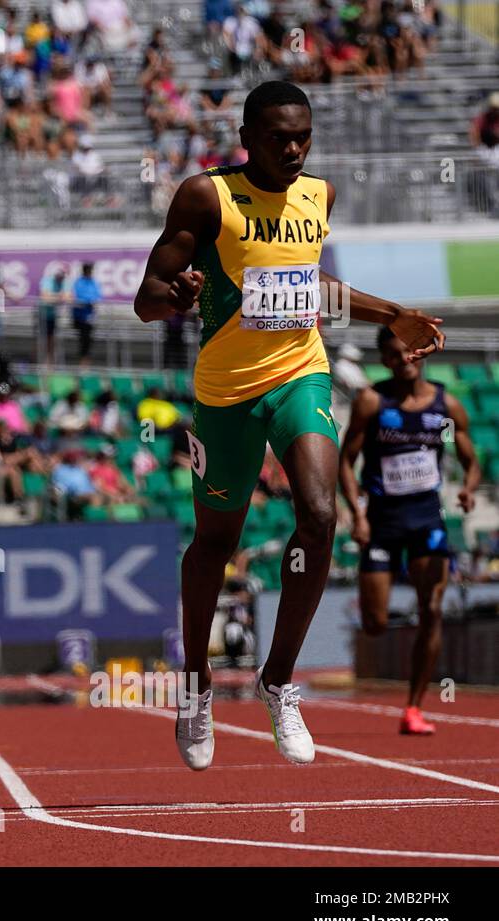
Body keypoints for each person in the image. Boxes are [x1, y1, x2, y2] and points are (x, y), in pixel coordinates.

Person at [134, 81, 444, 772]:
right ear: (248, 137)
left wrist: (393, 313)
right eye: (279, 137)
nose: (295, 148)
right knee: (215, 541)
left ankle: (278, 682)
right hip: (224, 395)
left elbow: (308, 289)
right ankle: (197, 685)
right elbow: (145, 299)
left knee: (320, 512)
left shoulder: (318, 196)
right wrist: (175, 296)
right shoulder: (205, 196)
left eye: (304, 135)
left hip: (300, 374)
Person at [339, 326, 479, 735]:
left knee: (432, 611)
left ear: (421, 355)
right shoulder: (371, 401)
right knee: (376, 623)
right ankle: (373, 616)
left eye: (409, 354)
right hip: (382, 523)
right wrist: (358, 514)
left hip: (427, 520)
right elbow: (346, 462)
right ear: (383, 360)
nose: (403, 361)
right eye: (393, 355)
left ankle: (414, 707)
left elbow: (471, 459)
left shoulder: (445, 403)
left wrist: (469, 490)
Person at [69, 260, 101, 365]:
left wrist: (90, 301)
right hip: (80, 317)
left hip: (89, 316)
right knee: (83, 338)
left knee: (88, 339)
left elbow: (97, 296)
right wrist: (88, 301)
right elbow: (78, 296)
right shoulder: (79, 282)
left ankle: (85, 360)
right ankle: (83, 360)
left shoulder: (94, 282)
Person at [39, 264, 67, 365]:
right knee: (41, 339)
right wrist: (58, 297)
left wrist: (53, 297)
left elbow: (68, 297)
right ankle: (40, 361)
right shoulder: (47, 281)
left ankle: (49, 362)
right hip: (42, 315)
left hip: (53, 315)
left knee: (51, 339)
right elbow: (45, 297)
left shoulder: (63, 283)